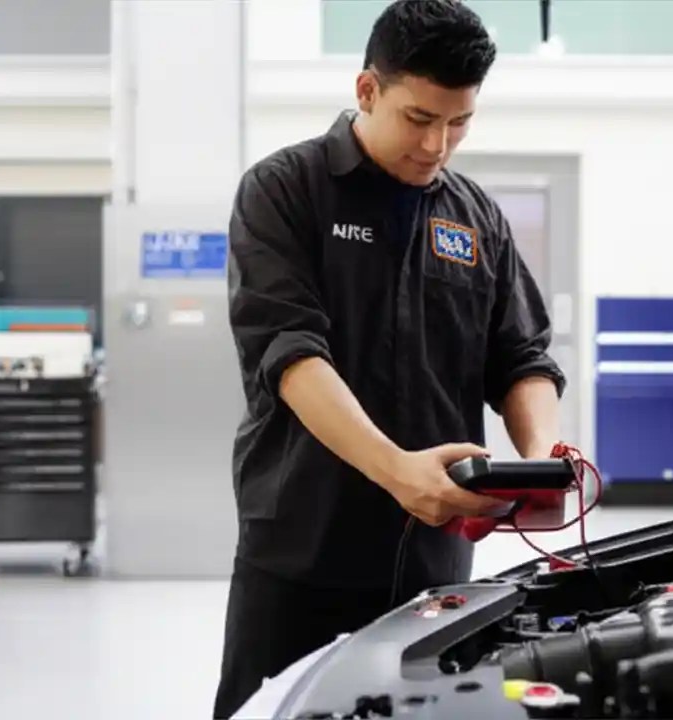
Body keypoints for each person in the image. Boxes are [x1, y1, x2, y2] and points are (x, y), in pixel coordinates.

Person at [213, 1, 566, 716]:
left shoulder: (475, 218)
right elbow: (289, 353)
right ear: (367, 90)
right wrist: (398, 472)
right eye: (419, 118)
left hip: (436, 567)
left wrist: (545, 463)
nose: (438, 144)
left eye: (458, 121)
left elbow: (522, 355)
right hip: (301, 554)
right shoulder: (284, 192)